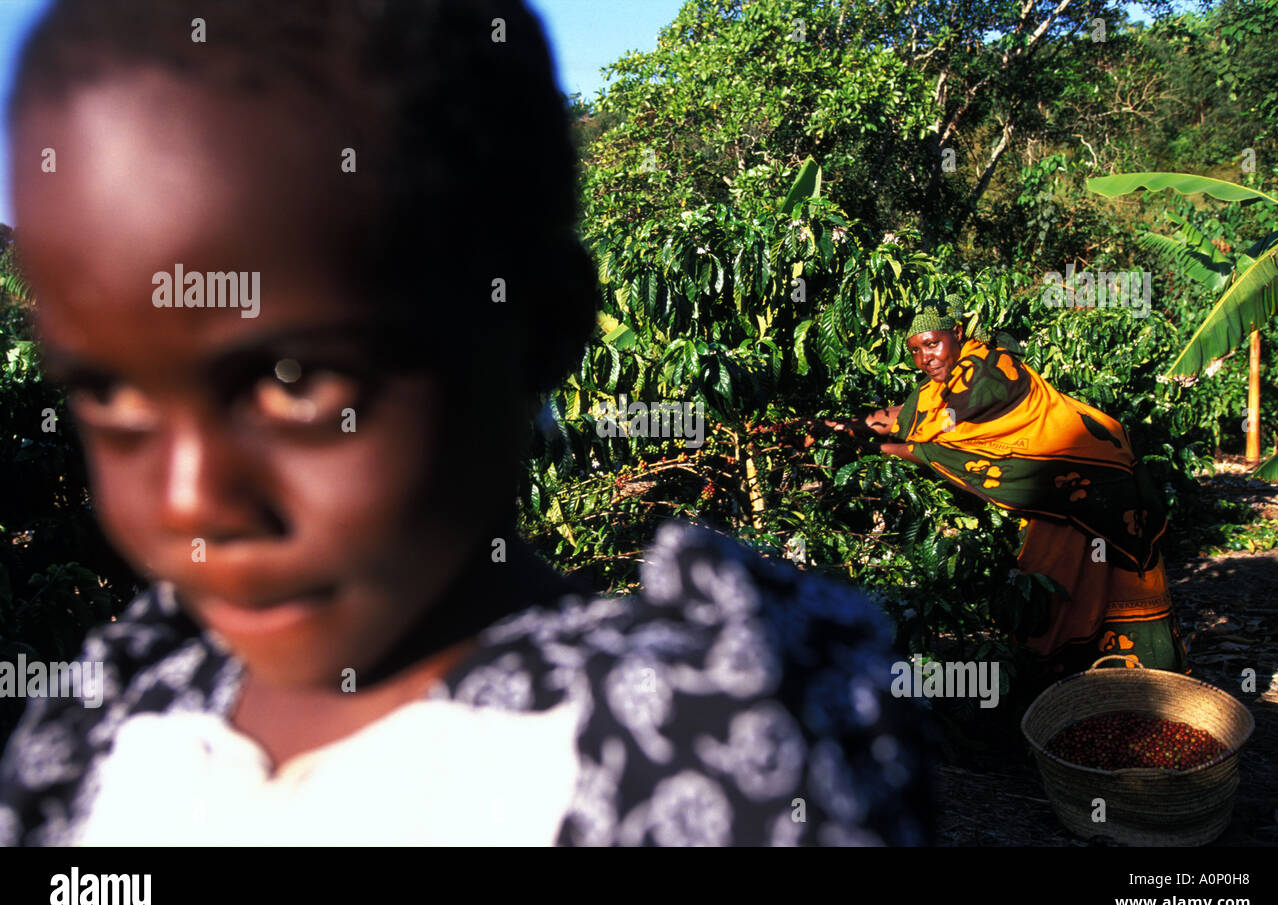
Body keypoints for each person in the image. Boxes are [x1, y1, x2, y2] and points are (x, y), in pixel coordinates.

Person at [0, 0, 935, 846]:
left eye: (294, 382)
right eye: (110, 394)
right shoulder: (105, 733)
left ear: (543, 328)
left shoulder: (717, 758)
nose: (191, 500)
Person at [818, 311, 1191, 681]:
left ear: (958, 334)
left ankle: (1137, 684)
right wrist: (838, 427)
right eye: (915, 351)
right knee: (1061, 574)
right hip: (1062, 488)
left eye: (932, 344)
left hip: (1095, 476)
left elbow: (942, 444)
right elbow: (910, 418)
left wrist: (868, 451)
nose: (924, 358)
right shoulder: (946, 382)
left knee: (1086, 577)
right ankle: (1074, 690)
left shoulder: (984, 373)